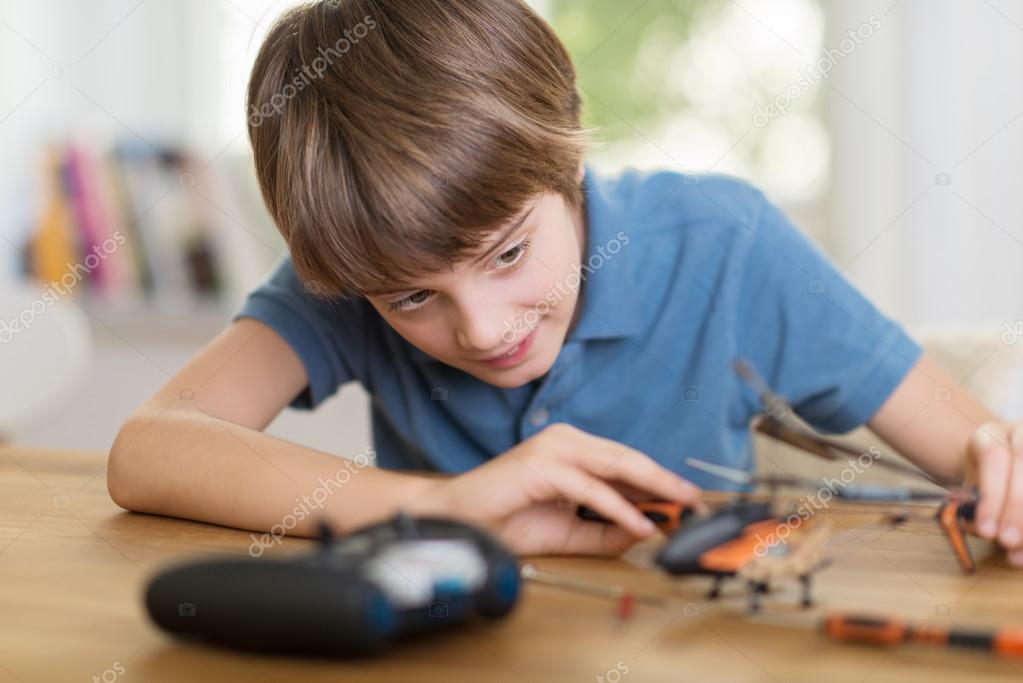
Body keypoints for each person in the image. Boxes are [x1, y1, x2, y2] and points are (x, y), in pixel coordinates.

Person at [108, 0, 1023, 564]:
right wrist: (445, 506)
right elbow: (149, 448)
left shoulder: (728, 242)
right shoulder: (361, 261)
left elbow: (972, 442)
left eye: (508, 253)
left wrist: (997, 462)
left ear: (566, 156)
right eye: (412, 300)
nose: (482, 328)